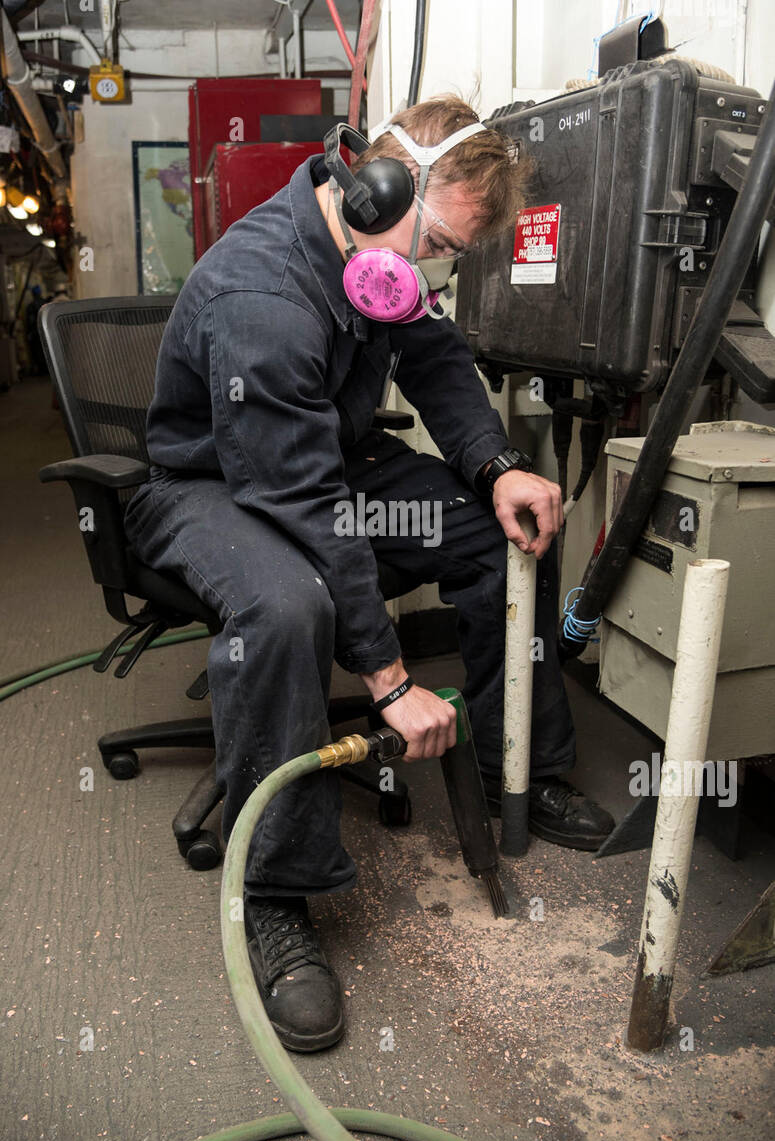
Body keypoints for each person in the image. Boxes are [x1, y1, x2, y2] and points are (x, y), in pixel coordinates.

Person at [124, 96, 613, 1053]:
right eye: (436, 240)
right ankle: (275, 891)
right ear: (380, 187)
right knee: (286, 603)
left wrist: (494, 464)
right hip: (212, 486)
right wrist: (388, 681)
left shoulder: (376, 258)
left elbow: (433, 360)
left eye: (450, 254)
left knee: (495, 530)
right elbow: (302, 502)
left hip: (324, 465)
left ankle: (519, 762)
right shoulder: (260, 292)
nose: (432, 267)